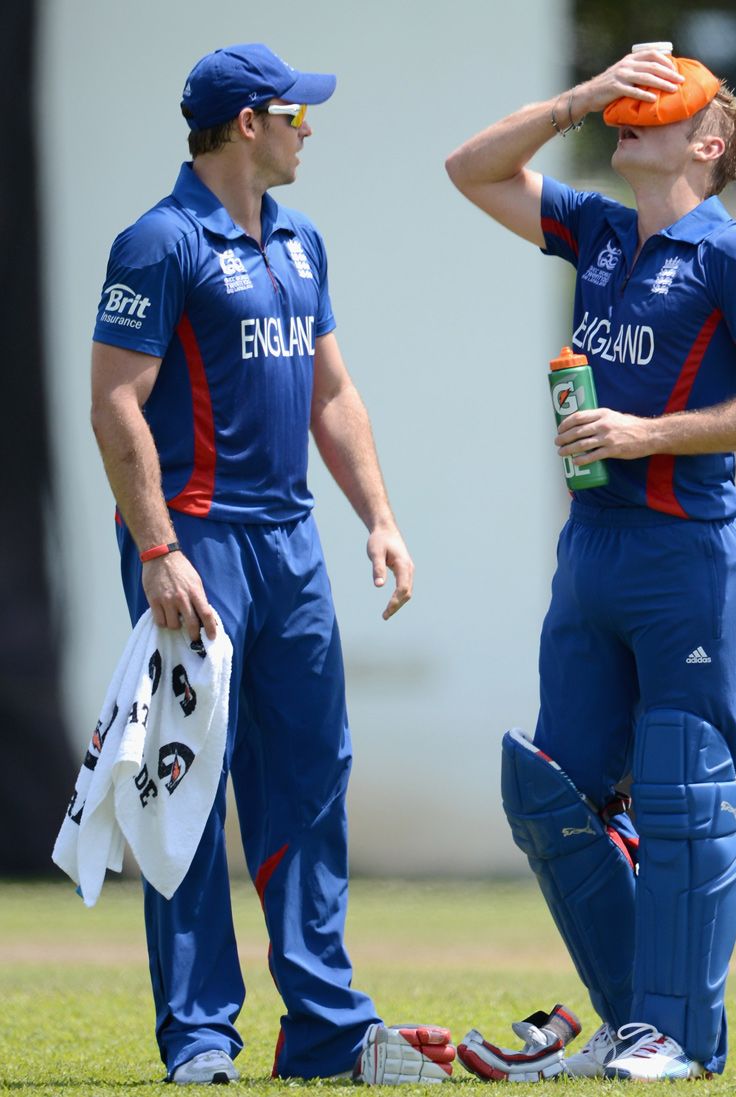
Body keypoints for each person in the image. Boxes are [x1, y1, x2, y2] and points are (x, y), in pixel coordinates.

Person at [445, 45, 736, 1083]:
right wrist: (578, 97)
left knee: (683, 793)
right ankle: (631, 1020)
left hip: (687, 553)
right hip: (593, 550)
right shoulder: (601, 230)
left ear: (708, 143)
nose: (629, 120)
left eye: (656, 112)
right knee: (550, 790)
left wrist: (644, 434)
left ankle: (682, 1031)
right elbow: (470, 170)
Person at [90, 43, 455, 1086]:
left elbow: (334, 396)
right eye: (298, 113)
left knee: (308, 780)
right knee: (187, 786)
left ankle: (329, 1030)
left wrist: (379, 518)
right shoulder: (159, 242)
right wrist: (156, 545)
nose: (312, 128)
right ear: (248, 124)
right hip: (197, 542)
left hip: (290, 546)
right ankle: (202, 1040)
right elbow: (116, 401)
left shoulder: (301, 242)